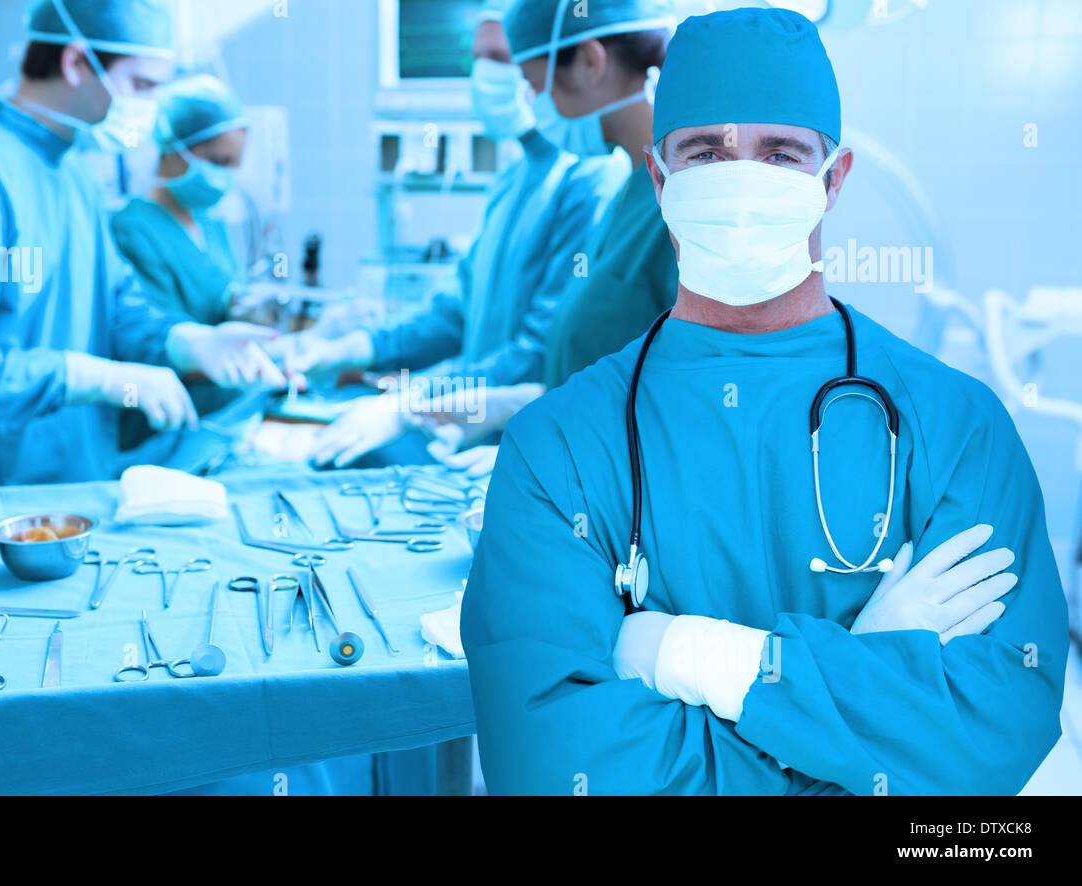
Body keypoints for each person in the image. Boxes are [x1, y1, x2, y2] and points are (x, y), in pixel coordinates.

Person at [462, 7, 1068, 795]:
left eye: (780, 154)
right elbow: (553, 768)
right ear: (660, 178)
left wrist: (700, 658)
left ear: (834, 179)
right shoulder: (559, 450)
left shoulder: (956, 426)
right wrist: (858, 681)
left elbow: (995, 735)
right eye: (706, 152)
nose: (740, 180)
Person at [0, 0, 283, 530]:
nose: (152, 109)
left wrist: (184, 340)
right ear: (76, 62)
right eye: (143, 86)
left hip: (74, 480)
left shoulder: (75, 173)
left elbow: (116, 304)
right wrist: (84, 375)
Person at [280, 6, 628, 469]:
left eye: (503, 57)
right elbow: (455, 312)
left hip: (526, 441)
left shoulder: (591, 180)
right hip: (466, 435)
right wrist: (356, 346)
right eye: (478, 56)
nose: (487, 74)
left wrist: (415, 401)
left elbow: (538, 354)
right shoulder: (513, 177)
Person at [507, 0, 679, 388]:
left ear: (590, 60)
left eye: (535, 85)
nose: (535, 105)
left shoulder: (683, 203)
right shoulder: (632, 191)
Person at [112, 74, 266, 448]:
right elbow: (147, 343)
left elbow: (221, 297)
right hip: (168, 426)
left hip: (227, 415)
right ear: (173, 148)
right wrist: (239, 357)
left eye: (234, 164)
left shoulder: (211, 222)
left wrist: (249, 310)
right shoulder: (133, 228)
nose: (225, 176)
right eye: (218, 161)